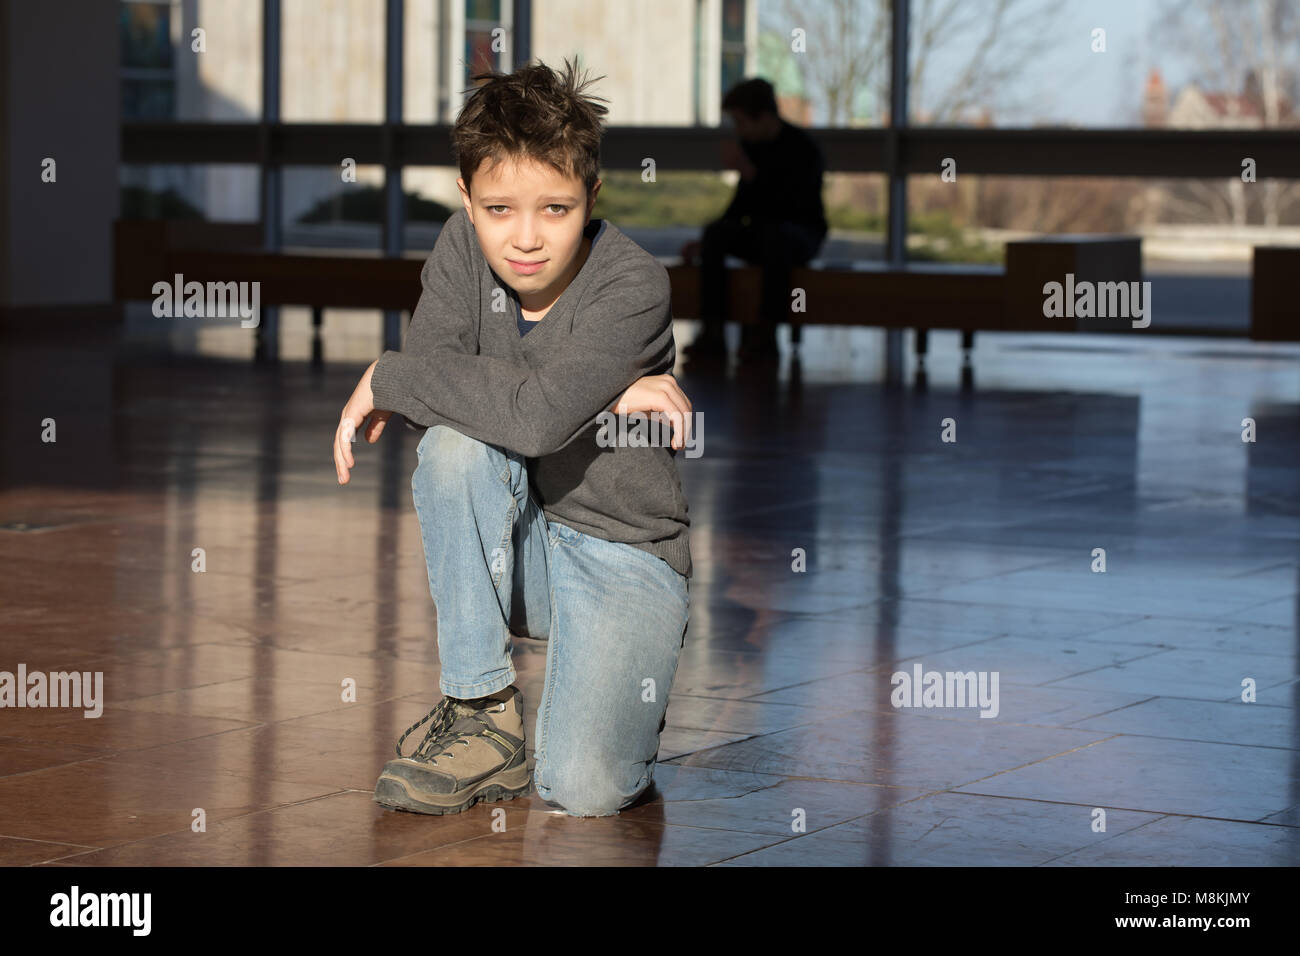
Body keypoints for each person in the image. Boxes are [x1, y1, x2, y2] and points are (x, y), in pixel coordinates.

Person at [331, 58, 695, 818]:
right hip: (518, 544)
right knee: (455, 450)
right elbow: (453, 402)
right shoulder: (461, 251)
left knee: (584, 789)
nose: (525, 239)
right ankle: (481, 713)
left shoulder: (634, 285)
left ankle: (624, 688)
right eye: (498, 210)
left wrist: (390, 376)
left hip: (621, 553)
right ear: (466, 199)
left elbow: (524, 417)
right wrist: (595, 388)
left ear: (591, 198)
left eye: (555, 211)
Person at [680, 77, 828, 363]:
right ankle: (713, 333)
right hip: (765, 235)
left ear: (762, 117)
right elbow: (741, 206)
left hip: (801, 235)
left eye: (740, 121)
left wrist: (749, 172)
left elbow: (793, 207)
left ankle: (765, 336)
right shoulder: (753, 147)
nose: (738, 129)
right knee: (717, 234)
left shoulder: (802, 149)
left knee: (777, 236)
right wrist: (706, 242)